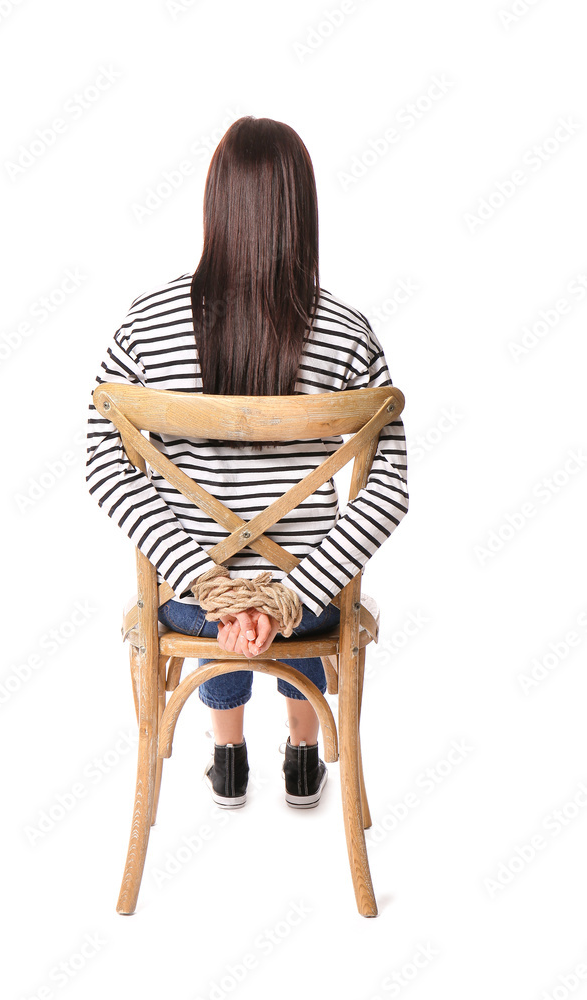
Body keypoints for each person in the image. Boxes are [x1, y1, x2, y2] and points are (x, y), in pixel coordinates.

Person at [85, 116, 409, 812]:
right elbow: (389, 493)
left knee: (221, 613)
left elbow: (102, 466)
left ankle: (227, 756)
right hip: (312, 605)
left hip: (189, 604)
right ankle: (302, 753)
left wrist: (212, 586)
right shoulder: (352, 336)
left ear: (215, 203)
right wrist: (287, 596)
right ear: (303, 209)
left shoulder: (145, 325)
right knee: (293, 614)